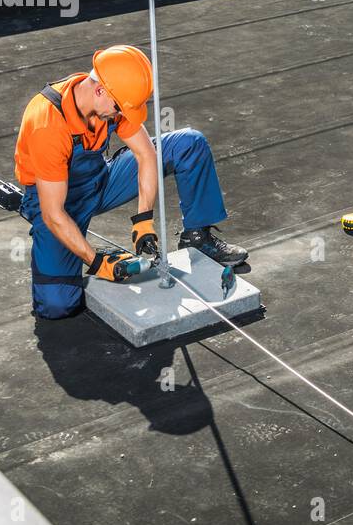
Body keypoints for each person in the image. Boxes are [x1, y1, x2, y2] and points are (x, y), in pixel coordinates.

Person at [13, 44, 247, 319]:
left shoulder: (112, 97)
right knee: (57, 305)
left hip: (99, 181)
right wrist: (98, 262)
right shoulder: (48, 124)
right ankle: (67, 255)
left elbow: (146, 154)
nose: (119, 114)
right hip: (57, 202)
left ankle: (197, 237)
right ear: (100, 90)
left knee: (189, 144)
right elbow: (53, 214)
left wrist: (143, 219)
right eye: (118, 109)